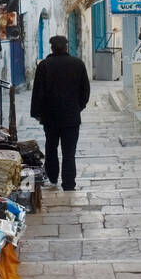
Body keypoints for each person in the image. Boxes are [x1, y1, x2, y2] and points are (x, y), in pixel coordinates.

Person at [30, 34, 91, 192]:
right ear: (66, 47)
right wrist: (79, 107)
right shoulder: (78, 64)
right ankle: (69, 183)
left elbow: (38, 92)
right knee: (69, 151)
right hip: (71, 116)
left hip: (50, 117)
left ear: (52, 48)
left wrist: (37, 113)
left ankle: (52, 176)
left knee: (51, 147)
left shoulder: (44, 66)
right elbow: (85, 90)